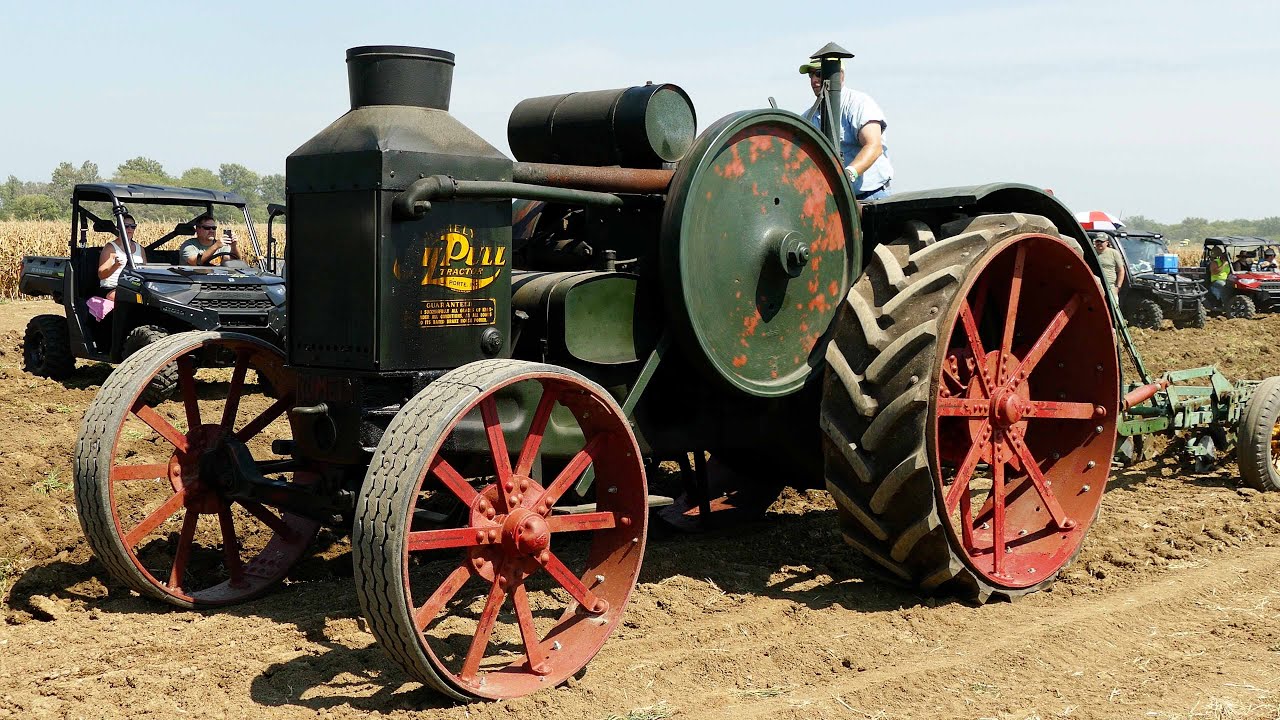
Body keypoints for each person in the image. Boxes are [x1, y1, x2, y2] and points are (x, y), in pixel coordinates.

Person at [799, 57, 894, 201]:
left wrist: (848, 174)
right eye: (810, 75)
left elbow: (874, 146)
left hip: (872, 196)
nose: (813, 80)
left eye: (818, 73)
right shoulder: (809, 117)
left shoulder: (859, 104)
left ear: (839, 75)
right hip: (836, 201)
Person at [97, 213, 146, 301]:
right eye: (126, 226)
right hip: (113, 288)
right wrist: (115, 266)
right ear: (118, 228)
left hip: (135, 288)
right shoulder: (110, 248)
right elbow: (101, 275)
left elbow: (146, 271)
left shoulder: (140, 249)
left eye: (133, 226)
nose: (130, 229)